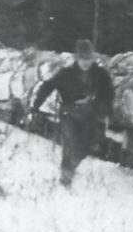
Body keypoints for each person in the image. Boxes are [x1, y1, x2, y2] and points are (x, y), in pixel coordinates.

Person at [28, 39, 114, 187]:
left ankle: (70, 168)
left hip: (89, 115)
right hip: (69, 113)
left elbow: (109, 93)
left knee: (84, 149)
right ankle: (66, 177)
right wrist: (35, 106)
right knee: (70, 143)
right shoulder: (65, 73)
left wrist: (105, 109)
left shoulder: (100, 74)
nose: (86, 63)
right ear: (77, 58)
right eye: (83, 59)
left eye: (89, 59)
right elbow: (47, 87)